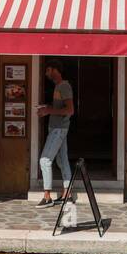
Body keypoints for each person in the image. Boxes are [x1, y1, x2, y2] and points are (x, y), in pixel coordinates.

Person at [35, 60, 74, 206]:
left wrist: (48, 111)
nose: (46, 74)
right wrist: (47, 107)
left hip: (58, 129)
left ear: (54, 70)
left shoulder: (64, 86)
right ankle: (67, 194)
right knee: (62, 160)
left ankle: (47, 197)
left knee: (45, 160)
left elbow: (70, 110)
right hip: (58, 128)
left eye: (47, 70)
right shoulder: (59, 86)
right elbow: (60, 107)